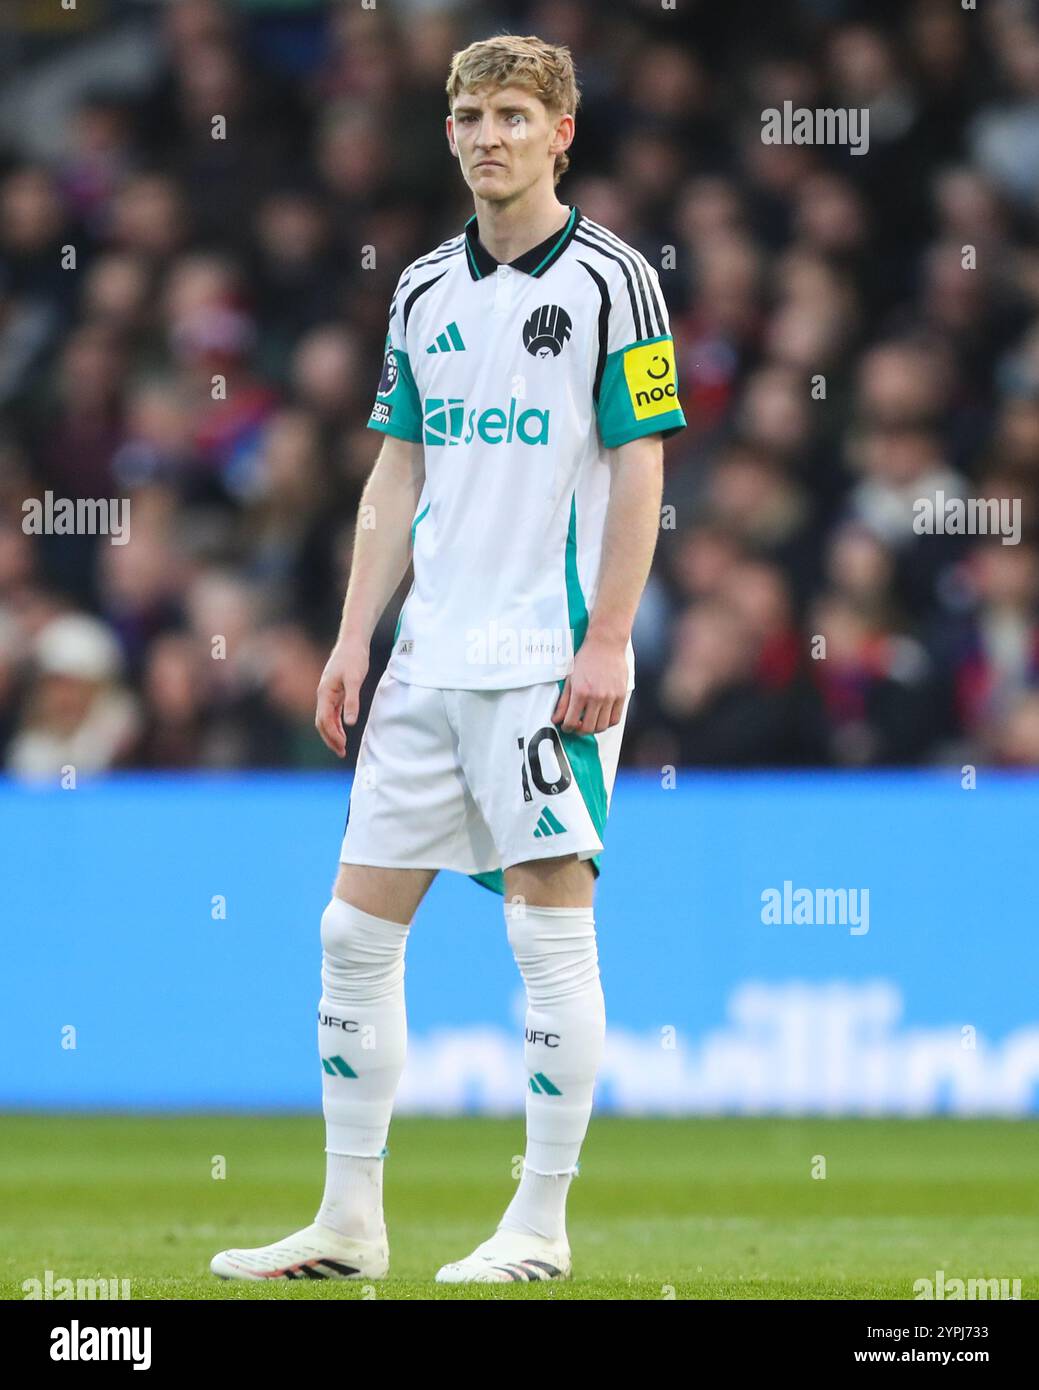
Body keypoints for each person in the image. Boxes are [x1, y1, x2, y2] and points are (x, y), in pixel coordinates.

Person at [211, 33, 685, 1286]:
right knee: (350, 935)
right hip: (426, 660)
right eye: (470, 114)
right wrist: (354, 633)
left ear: (562, 132)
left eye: (515, 114)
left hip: (545, 656)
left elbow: (641, 467)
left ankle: (538, 1224)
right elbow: (399, 466)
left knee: (548, 935)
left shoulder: (616, 283)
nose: (488, 135)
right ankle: (349, 1223)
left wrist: (607, 638)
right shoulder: (421, 286)